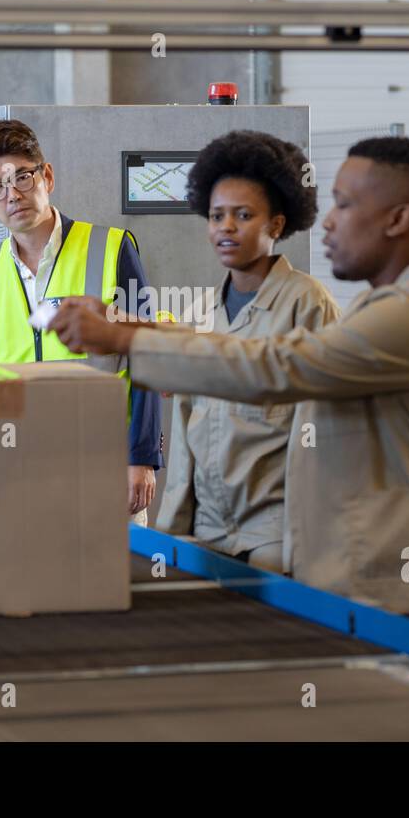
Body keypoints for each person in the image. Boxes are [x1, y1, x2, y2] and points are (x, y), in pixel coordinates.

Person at [49, 136, 409, 689]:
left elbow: (276, 366)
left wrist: (123, 338)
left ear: (399, 218)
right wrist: (133, 330)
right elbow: (246, 355)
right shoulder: (384, 305)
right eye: (217, 215)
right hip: (370, 578)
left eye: (345, 204)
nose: (329, 222)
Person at [0, 119, 163, 519]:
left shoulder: (112, 248)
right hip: (18, 472)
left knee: (113, 563)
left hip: (105, 468)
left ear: (47, 177)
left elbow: (147, 356)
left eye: (22, 177)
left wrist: (142, 457)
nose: (13, 195)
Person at [158, 131, 338, 572]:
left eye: (243, 215)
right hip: (208, 523)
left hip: (275, 523)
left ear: (276, 225)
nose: (226, 226)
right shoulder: (204, 313)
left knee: (264, 598)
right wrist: (172, 526)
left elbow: (326, 428)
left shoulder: (306, 303)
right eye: (216, 215)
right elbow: (184, 428)